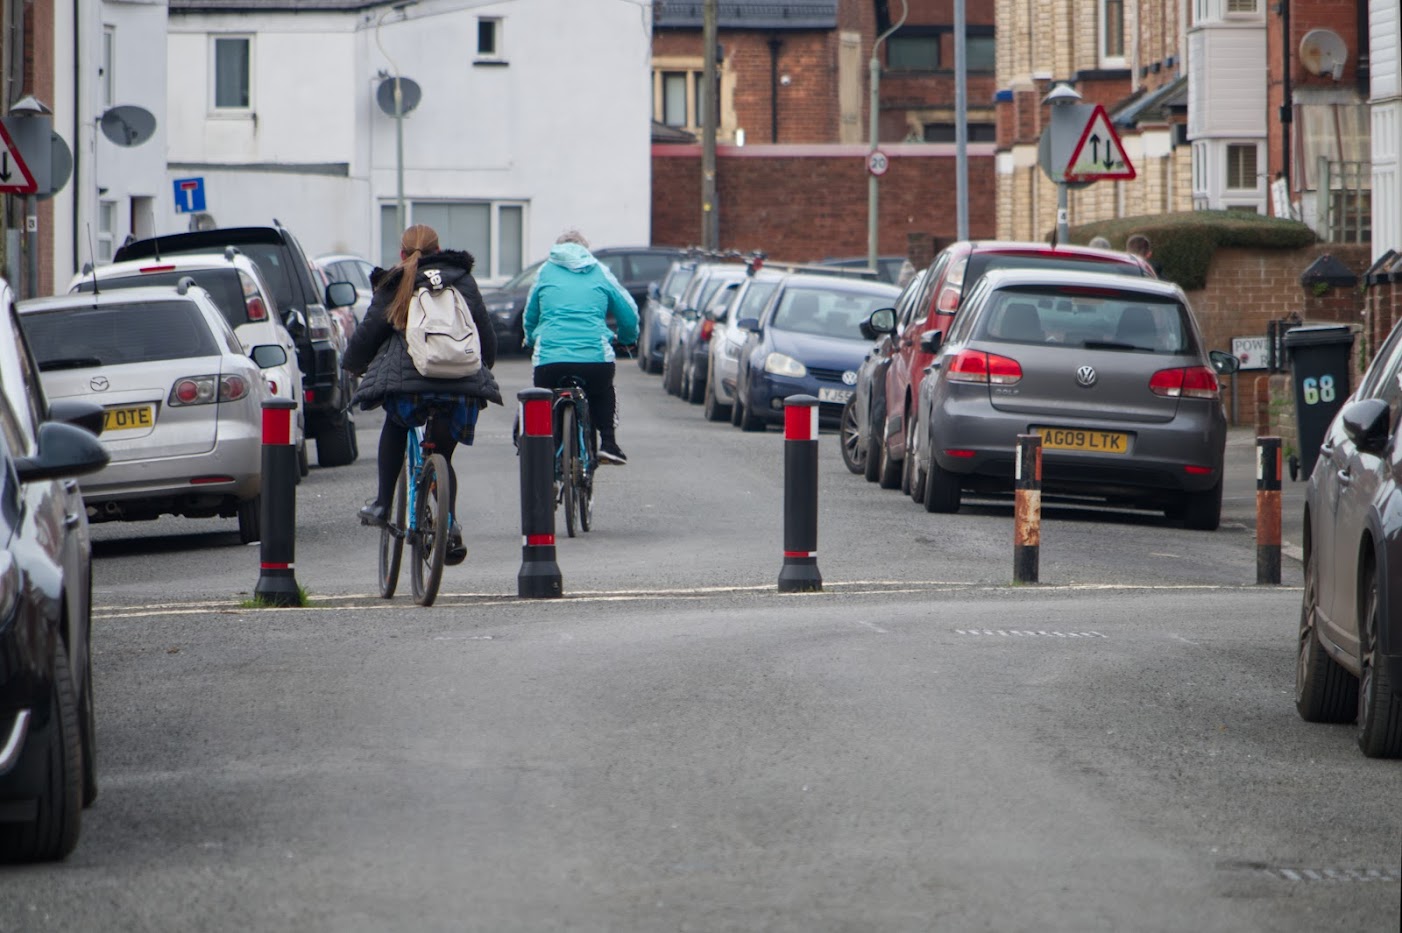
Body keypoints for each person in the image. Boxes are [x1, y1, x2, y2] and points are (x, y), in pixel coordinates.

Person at [342, 224, 503, 565]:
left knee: (396, 424)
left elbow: (369, 333)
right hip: (460, 385)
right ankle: (450, 521)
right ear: (439, 248)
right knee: (443, 455)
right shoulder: (461, 278)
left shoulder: (395, 281)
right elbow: (483, 331)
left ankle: (384, 502)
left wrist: (353, 366)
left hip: (409, 389)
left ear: (402, 253)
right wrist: (483, 365)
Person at [523, 230, 639, 464]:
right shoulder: (599, 270)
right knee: (603, 388)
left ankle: (545, 455)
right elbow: (629, 313)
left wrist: (532, 339)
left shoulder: (545, 271)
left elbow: (530, 315)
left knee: (544, 401)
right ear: (585, 249)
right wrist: (627, 339)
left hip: (550, 361)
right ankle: (608, 442)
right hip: (594, 360)